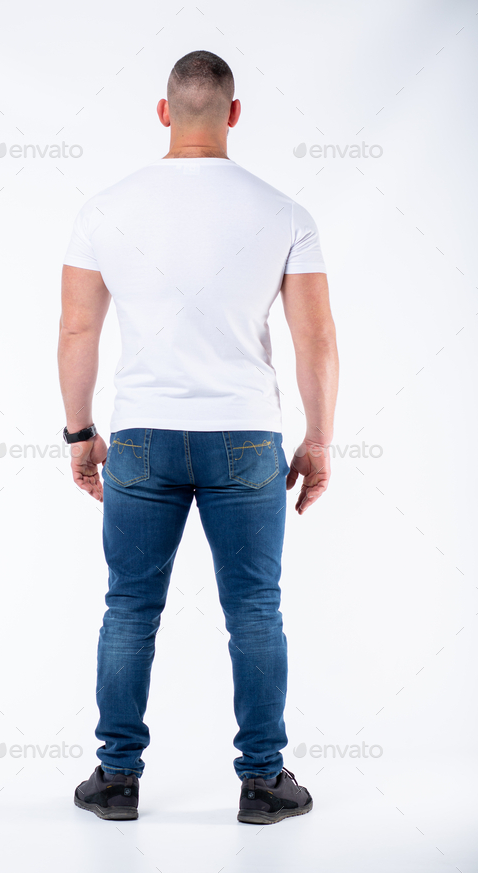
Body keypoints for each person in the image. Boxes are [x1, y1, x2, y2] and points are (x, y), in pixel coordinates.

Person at [58, 49, 339, 825]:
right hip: (246, 437)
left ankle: (116, 778)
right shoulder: (284, 212)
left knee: (129, 608)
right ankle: (263, 782)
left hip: (142, 437)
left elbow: (79, 325)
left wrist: (80, 430)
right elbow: (315, 340)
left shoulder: (104, 208)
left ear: (163, 112)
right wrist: (318, 440)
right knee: (255, 608)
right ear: (234, 115)